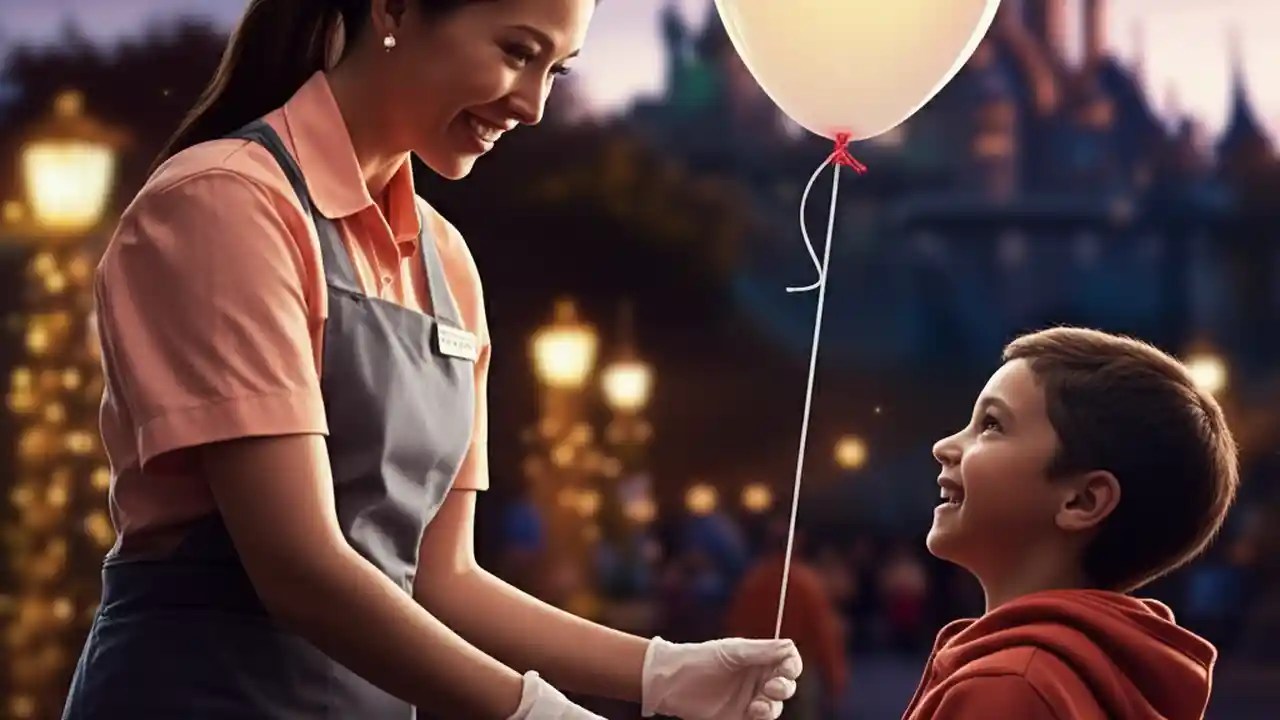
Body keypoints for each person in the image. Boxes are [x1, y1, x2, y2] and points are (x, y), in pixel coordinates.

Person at [61, 1, 802, 718]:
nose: (535, 105)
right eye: (517, 53)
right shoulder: (223, 203)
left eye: (558, 72)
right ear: (392, 11)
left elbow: (443, 580)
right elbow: (298, 565)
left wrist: (662, 672)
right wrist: (535, 712)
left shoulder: (447, 261)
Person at [901, 327, 1239, 720]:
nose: (942, 447)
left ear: (1083, 500)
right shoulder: (1082, 677)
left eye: (992, 425)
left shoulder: (1009, 687)